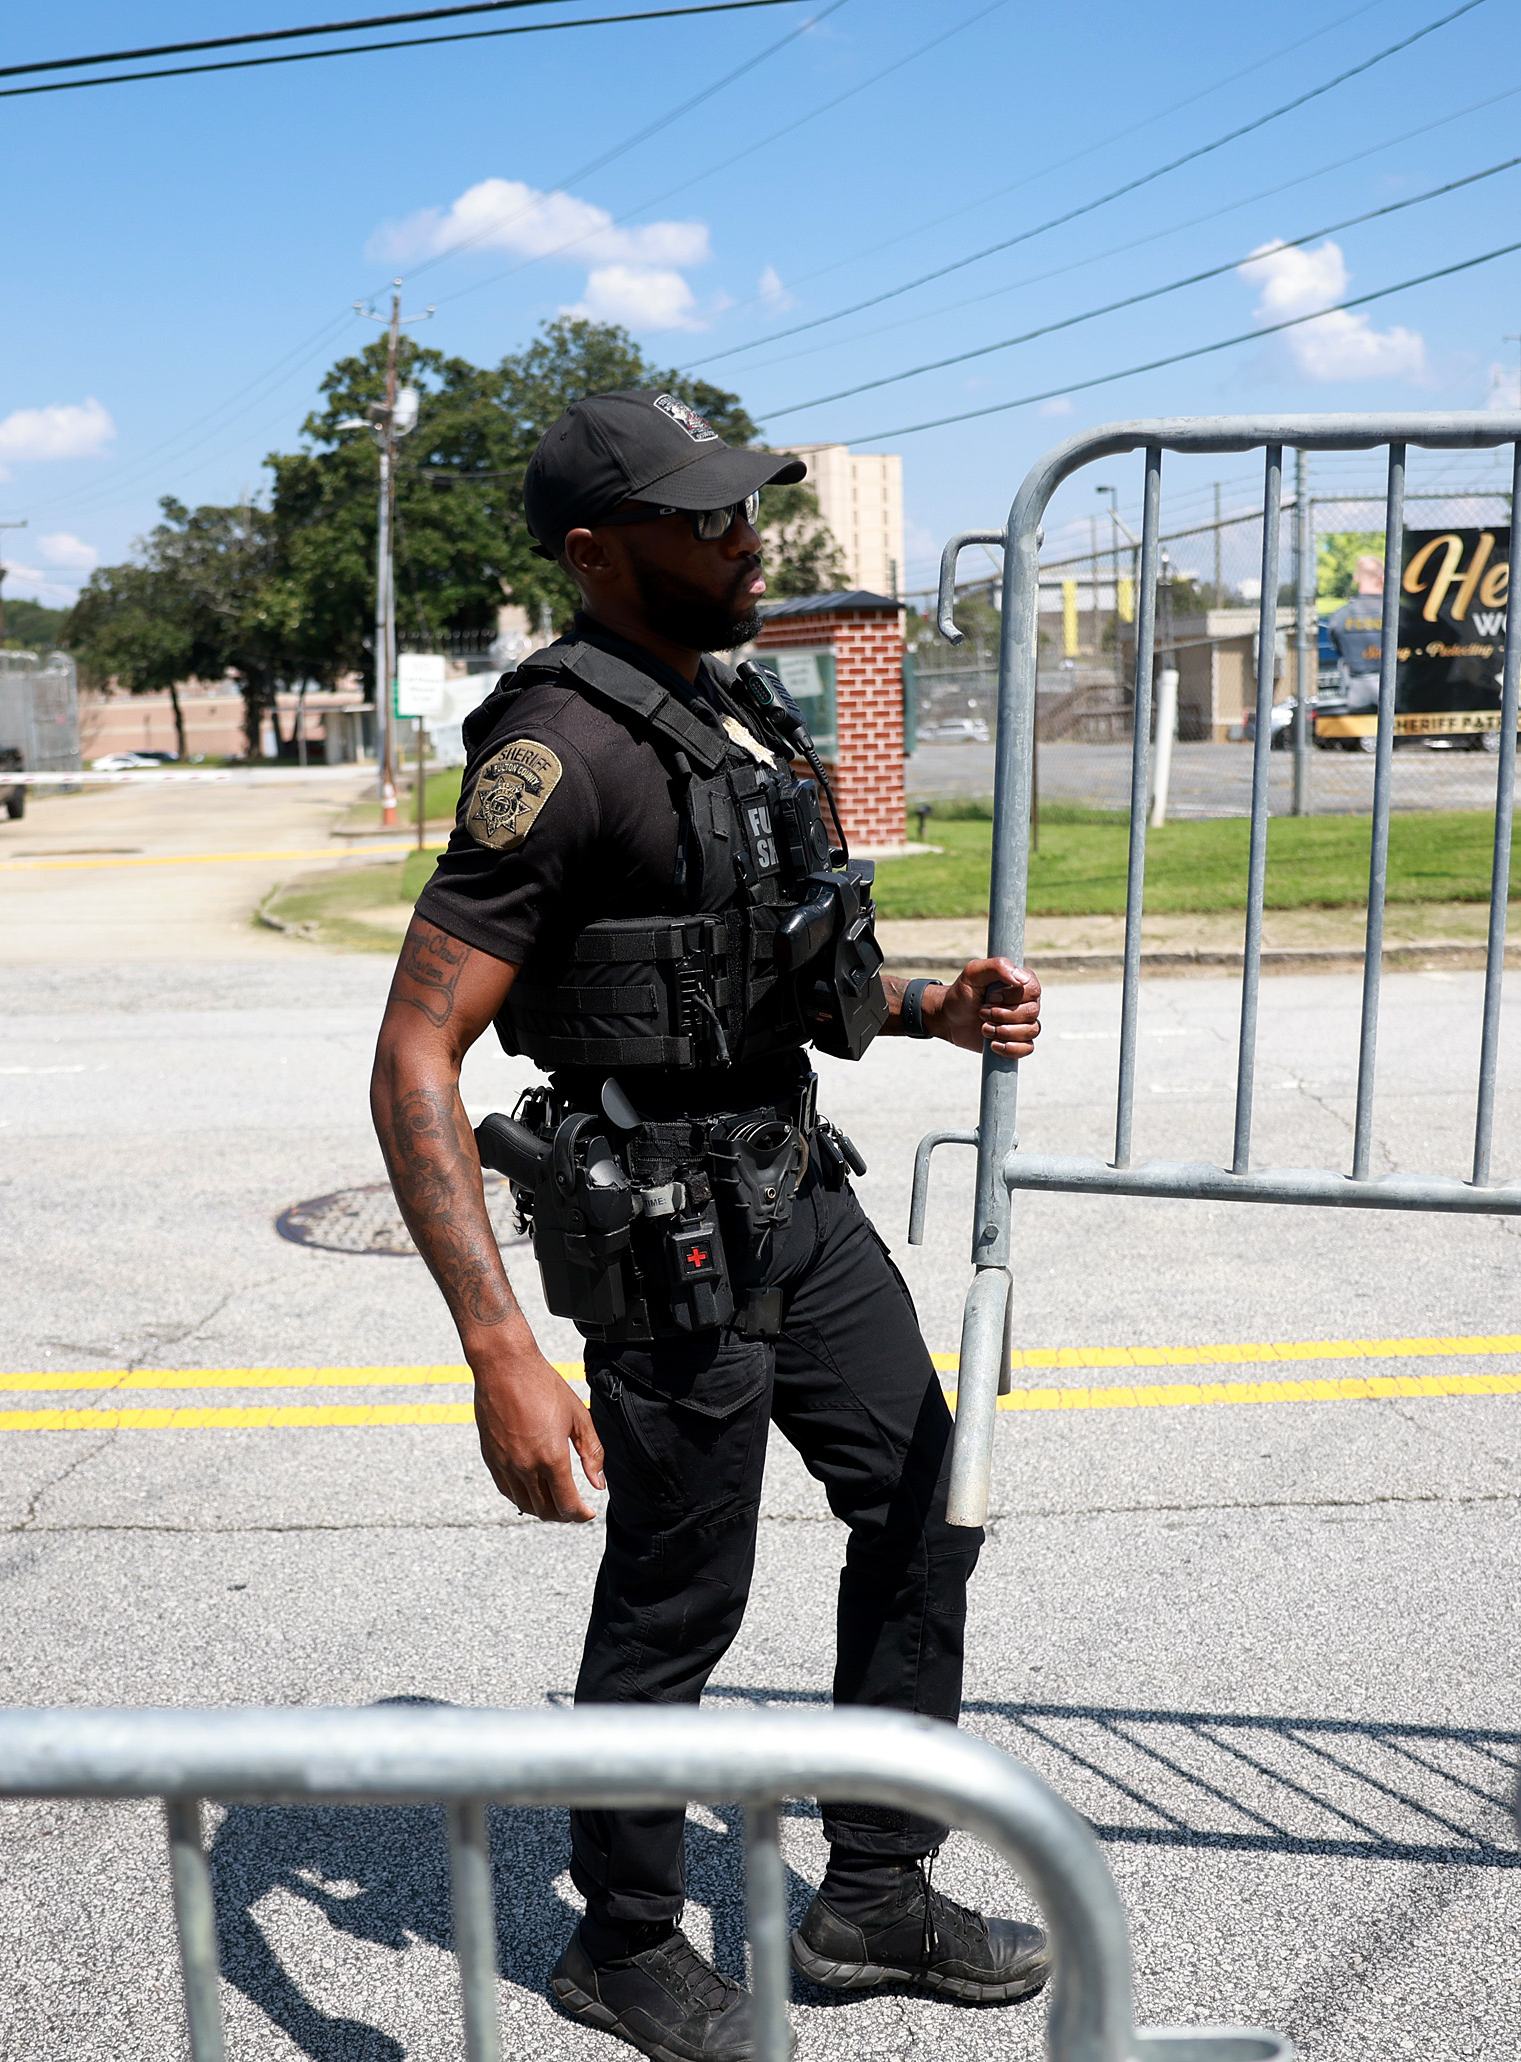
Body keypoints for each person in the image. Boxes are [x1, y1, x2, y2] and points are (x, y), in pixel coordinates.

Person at [370, 389, 1050, 2062]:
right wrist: (496, 1349)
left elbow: (774, 977)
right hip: (664, 1226)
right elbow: (412, 1054)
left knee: (923, 1505)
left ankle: (873, 1896)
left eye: (750, 507)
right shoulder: (564, 749)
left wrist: (924, 1003)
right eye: (709, 517)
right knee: (682, 1590)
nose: (751, 537)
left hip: (795, 1190)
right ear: (599, 553)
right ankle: (620, 1939)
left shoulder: (736, 712)